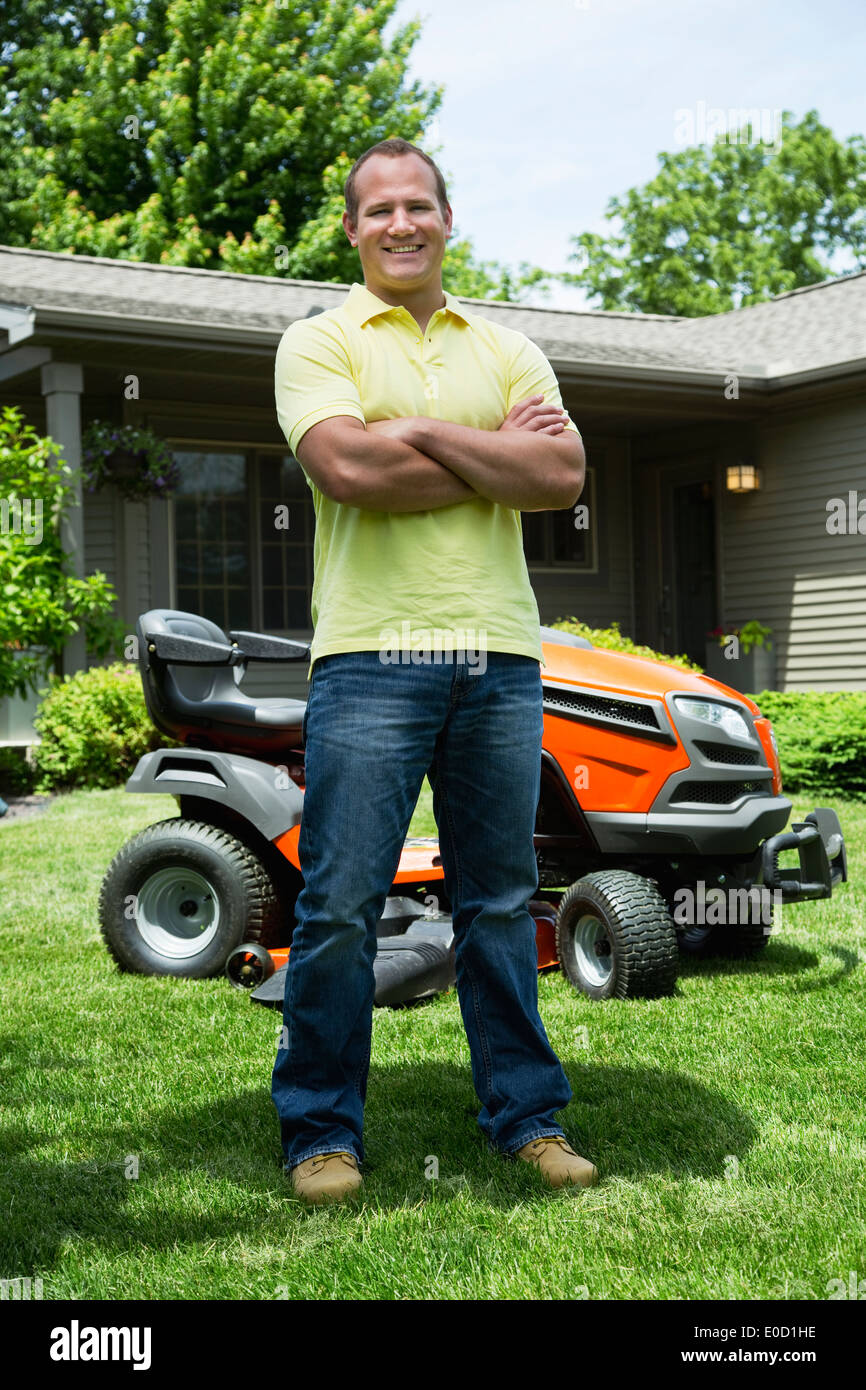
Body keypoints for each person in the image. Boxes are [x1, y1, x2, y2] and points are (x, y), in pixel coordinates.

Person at [271, 137, 598, 1205]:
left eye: (419, 205)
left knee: (499, 902)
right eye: (379, 211)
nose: (400, 224)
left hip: (497, 653)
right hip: (368, 656)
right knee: (338, 904)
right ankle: (320, 1130)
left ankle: (526, 1117)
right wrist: (472, 446)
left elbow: (556, 472)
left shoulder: (507, 346)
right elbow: (350, 468)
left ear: (447, 220)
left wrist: (411, 433)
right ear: (352, 230)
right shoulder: (315, 343)